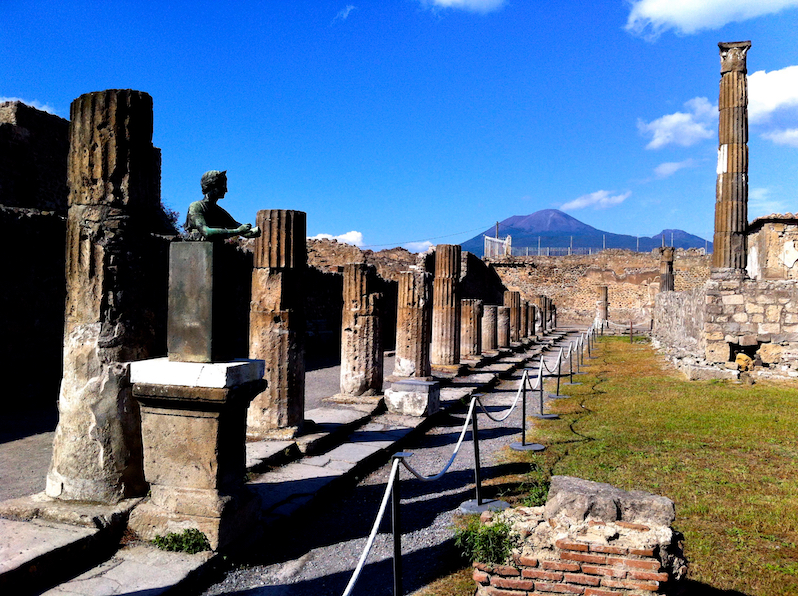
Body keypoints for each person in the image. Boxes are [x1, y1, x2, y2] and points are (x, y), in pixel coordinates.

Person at [184, 170, 261, 241]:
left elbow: (236, 226)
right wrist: (238, 231)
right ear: (212, 186)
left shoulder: (218, 211)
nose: (226, 190)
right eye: (222, 186)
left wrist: (251, 231)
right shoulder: (196, 206)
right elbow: (206, 232)